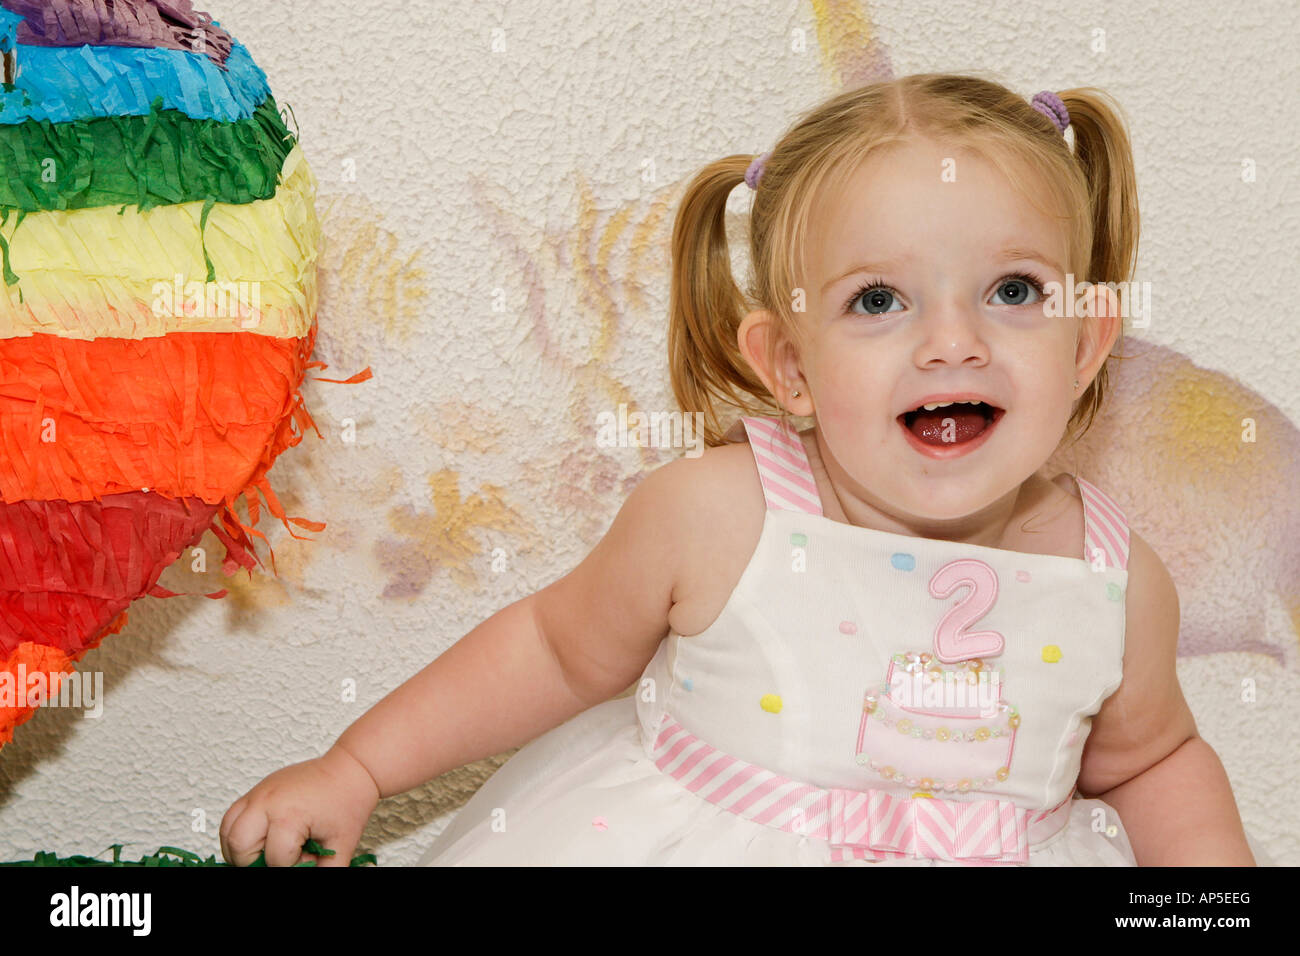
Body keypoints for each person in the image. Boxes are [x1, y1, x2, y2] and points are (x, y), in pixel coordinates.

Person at [220, 73, 1258, 866]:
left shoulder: (1113, 583)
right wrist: (356, 767)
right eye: (878, 301)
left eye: (1014, 290)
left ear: (1086, 348)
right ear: (789, 368)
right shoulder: (720, 515)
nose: (953, 342)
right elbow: (553, 647)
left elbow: (1152, 760)